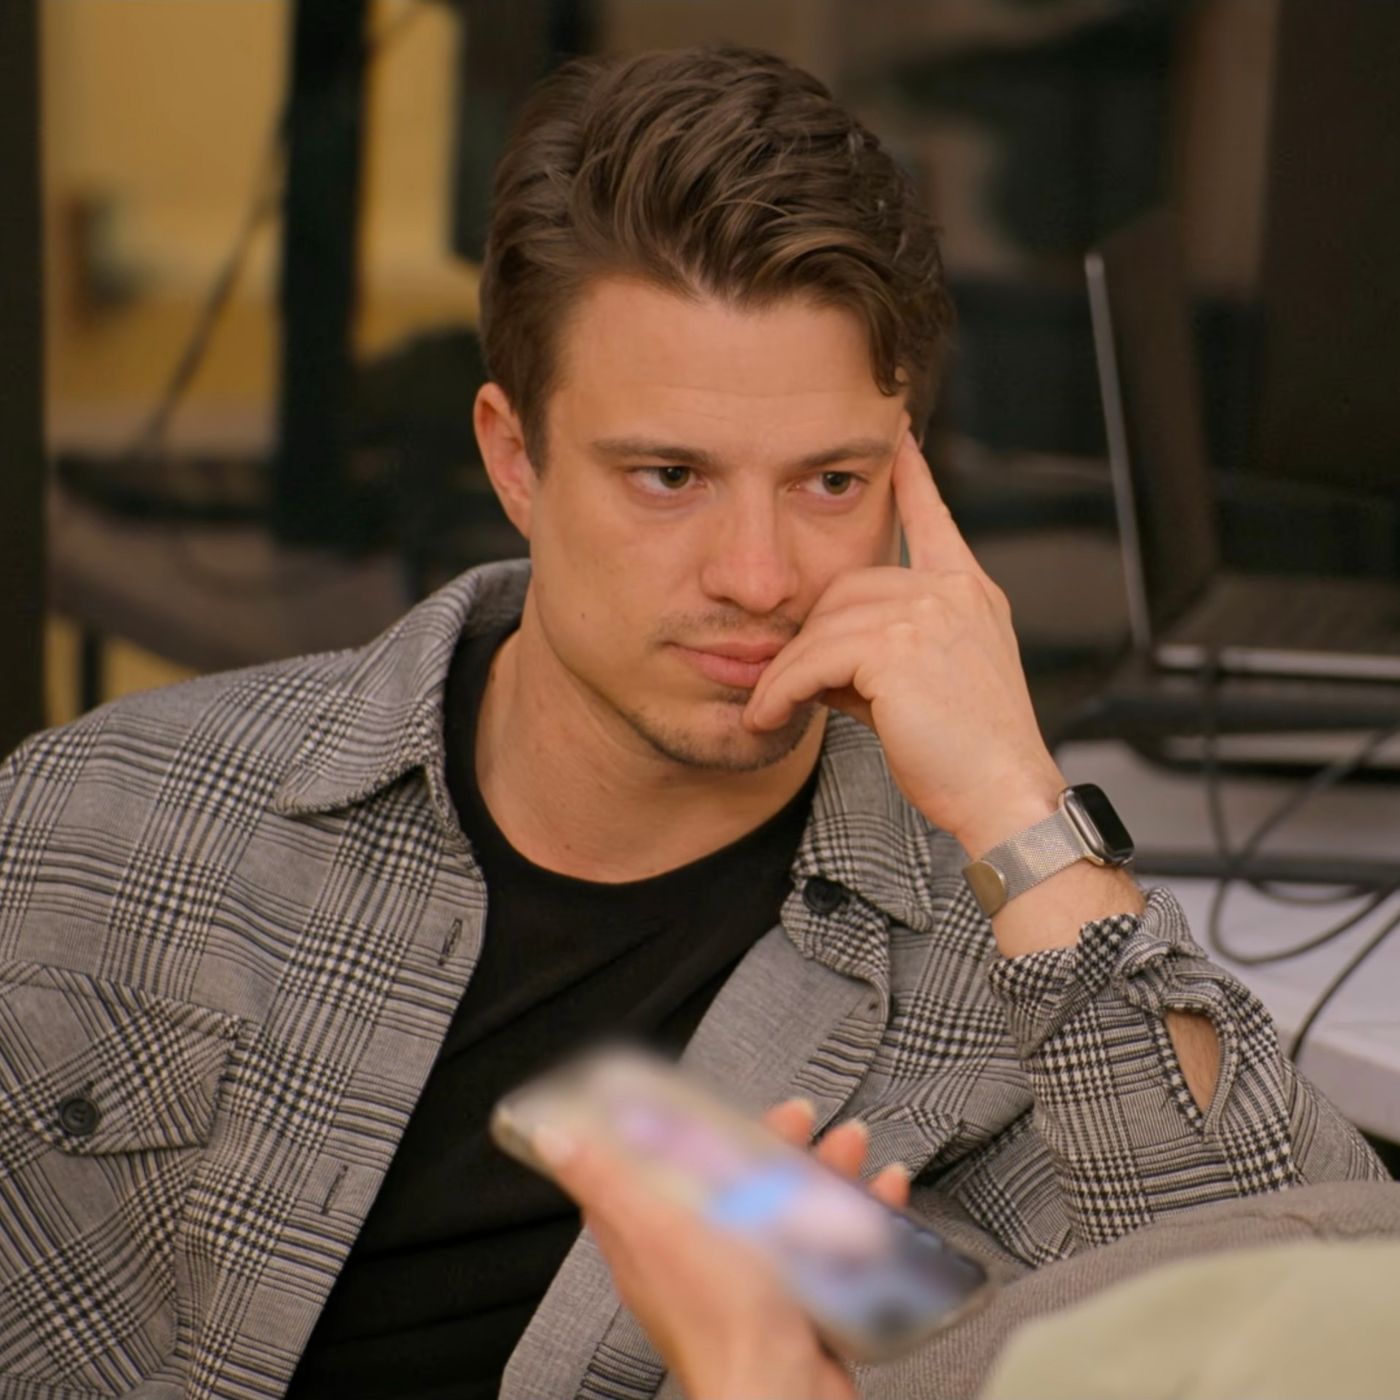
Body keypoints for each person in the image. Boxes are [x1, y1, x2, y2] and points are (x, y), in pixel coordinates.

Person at [0, 42, 1384, 1400]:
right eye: (669, 476)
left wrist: (1021, 807)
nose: (761, 578)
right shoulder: (100, 826)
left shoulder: (1003, 972)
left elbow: (1311, 1328)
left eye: (831, 483)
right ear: (515, 459)